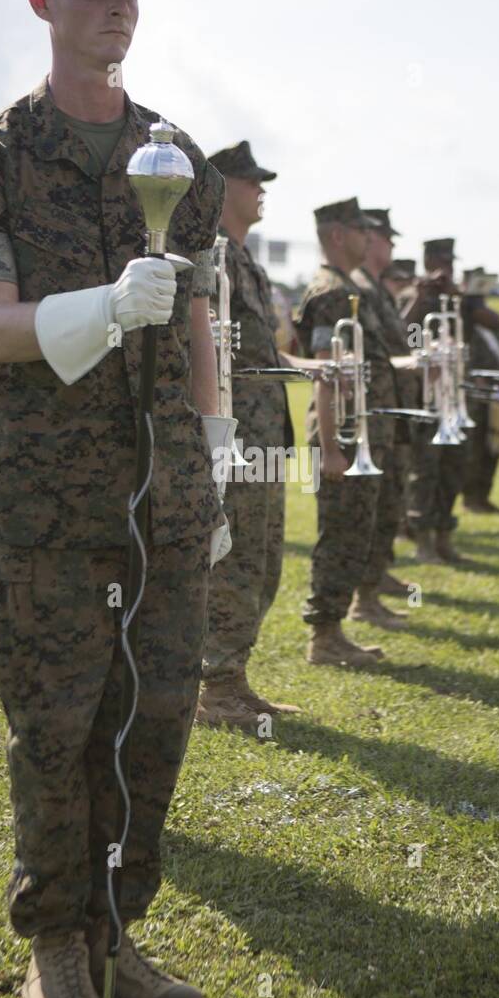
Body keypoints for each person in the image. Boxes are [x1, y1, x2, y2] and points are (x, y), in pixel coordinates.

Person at [0, 0, 229, 998]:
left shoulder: (175, 153)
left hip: (162, 492)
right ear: (42, 1)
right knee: (55, 724)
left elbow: (199, 310)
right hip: (47, 498)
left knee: (153, 717)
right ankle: (55, 942)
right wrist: (102, 308)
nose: (120, 4)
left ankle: (118, 931)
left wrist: (211, 448)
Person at [196, 140, 303, 730]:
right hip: (236, 437)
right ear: (220, 188)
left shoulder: (245, 257)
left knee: (262, 558)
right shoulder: (212, 257)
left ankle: (233, 679)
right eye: (250, 181)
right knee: (235, 561)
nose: (261, 190)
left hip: (264, 434)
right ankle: (216, 686)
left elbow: (259, 352)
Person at [295, 197, 395, 666]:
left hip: (360, 433)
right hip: (344, 436)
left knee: (356, 529)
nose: (368, 238)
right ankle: (325, 636)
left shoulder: (347, 287)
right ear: (338, 235)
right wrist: (331, 447)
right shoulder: (332, 291)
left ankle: (335, 627)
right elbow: (326, 371)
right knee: (340, 531)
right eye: (360, 229)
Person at [350, 207, 412, 619]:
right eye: (387, 238)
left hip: (390, 411)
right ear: (370, 239)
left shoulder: (378, 290)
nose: (392, 245)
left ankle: (374, 581)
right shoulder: (359, 289)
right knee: (364, 514)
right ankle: (363, 598)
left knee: (389, 504)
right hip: (369, 416)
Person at [402, 238, 466, 562]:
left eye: (451, 261)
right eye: (441, 260)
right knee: (425, 470)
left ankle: (444, 535)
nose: (447, 268)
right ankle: (422, 539)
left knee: (452, 469)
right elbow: (402, 334)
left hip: (453, 397)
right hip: (423, 397)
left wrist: (457, 295)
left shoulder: (456, 298)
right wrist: (419, 297)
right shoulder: (414, 295)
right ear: (427, 260)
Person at [460, 268, 499, 513]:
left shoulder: (489, 321)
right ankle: (471, 497)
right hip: (473, 393)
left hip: (494, 390)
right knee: (474, 447)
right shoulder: (462, 320)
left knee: (491, 446)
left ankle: (483, 495)